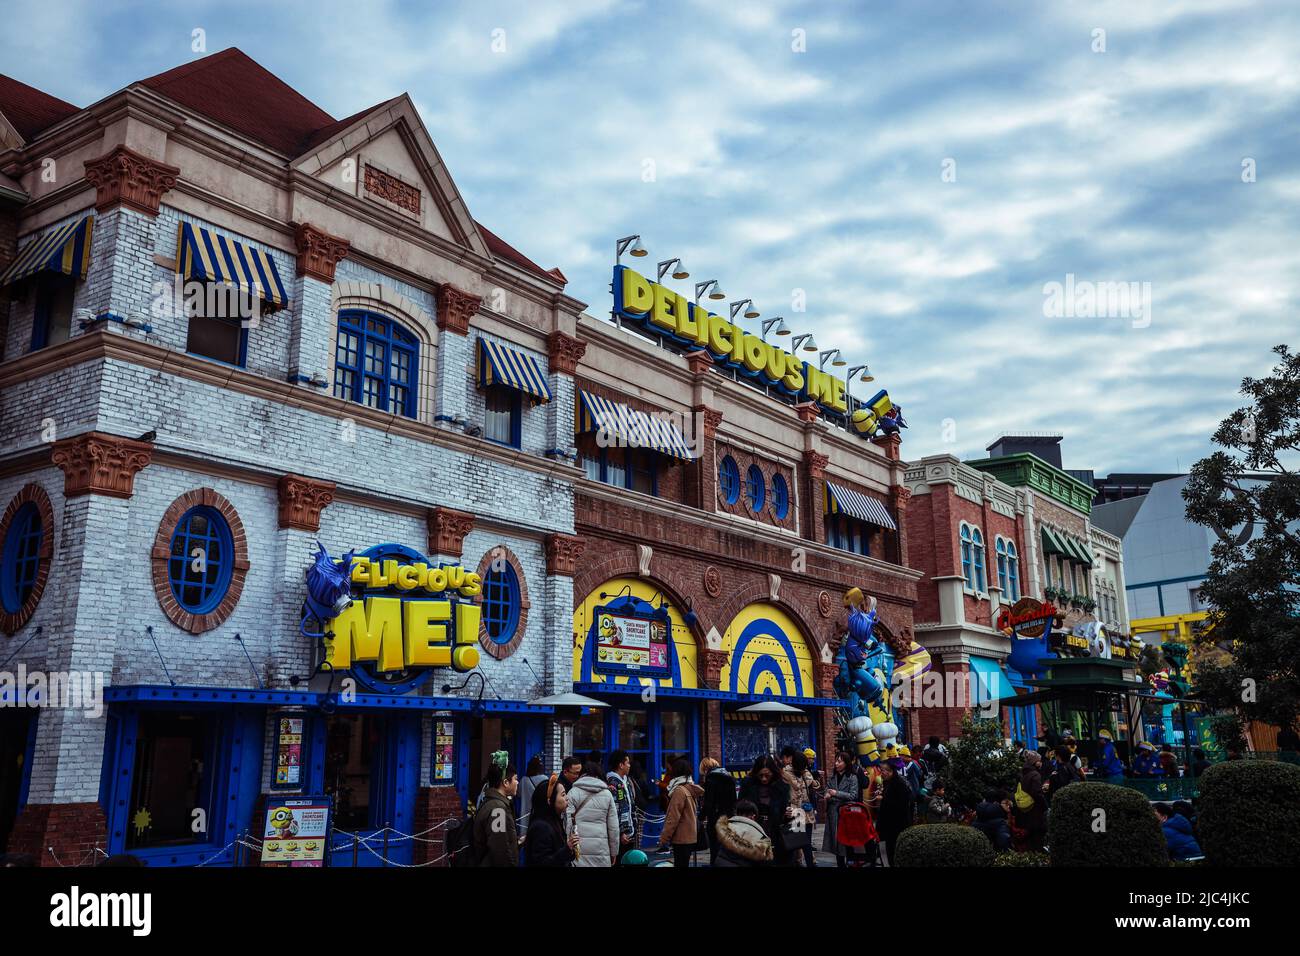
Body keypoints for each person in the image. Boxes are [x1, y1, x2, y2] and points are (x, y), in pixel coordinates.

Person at [739, 754, 791, 865]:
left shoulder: (782, 787)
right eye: (760, 775)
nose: (763, 778)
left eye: (767, 775)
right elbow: (739, 807)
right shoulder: (748, 785)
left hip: (774, 831)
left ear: (773, 772)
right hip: (752, 830)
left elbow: (785, 812)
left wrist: (788, 814)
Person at [565, 761, 620, 867]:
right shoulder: (607, 794)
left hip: (579, 848)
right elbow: (614, 828)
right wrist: (614, 852)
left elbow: (568, 823)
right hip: (601, 850)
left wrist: (568, 847)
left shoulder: (572, 792)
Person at [658, 757, 704, 868]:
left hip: (681, 838)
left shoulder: (679, 791)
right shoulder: (689, 787)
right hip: (689, 836)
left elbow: (673, 818)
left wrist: (664, 838)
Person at [525, 774, 580, 867]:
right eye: (563, 794)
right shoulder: (541, 827)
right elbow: (541, 863)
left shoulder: (554, 820)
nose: (567, 798)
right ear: (550, 801)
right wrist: (567, 849)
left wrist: (571, 849)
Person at [472, 762, 520, 867]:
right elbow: (499, 849)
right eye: (515, 779)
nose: (517, 782)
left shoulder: (492, 802)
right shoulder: (498, 809)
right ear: (506, 782)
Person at [821, 751, 861, 868]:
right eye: (836, 761)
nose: (836, 763)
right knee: (837, 844)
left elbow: (853, 795)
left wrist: (835, 793)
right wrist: (827, 795)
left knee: (848, 843)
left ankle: (851, 863)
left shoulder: (852, 777)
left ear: (846, 763)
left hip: (847, 815)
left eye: (839, 761)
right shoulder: (833, 777)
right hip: (834, 814)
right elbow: (827, 789)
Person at [781, 749, 820, 867]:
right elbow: (796, 786)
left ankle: (809, 864)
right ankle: (795, 863)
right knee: (794, 842)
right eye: (801, 766)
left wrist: (810, 777)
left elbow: (815, 784)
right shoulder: (785, 773)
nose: (803, 768)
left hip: (806, 811)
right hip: (795, 811)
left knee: (806, 842)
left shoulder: (805, 772)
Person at [873, 758, 914, 866]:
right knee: (886, 853)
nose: (883, 772)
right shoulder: (887, 782)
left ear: (892, 771)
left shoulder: (899, 784)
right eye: (882, 770)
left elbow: (902, 805)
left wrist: (884, 799)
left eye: (885, 770)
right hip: (887, 826)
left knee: (893, 853)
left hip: (896, 826)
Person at [713, 799, 774, 867]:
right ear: (753, 816)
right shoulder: (758, 835)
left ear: (737, 813)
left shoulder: (725, 827)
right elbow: (765, 860)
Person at [700, 756, 736, 865]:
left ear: (706, 768)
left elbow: (709, 802)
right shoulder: (728, 776)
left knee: (714, 848)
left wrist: (701, 817)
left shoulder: (711, 779)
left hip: (715, 818)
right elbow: (734, 800)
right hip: (728, 817)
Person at [606, 749, 640, 859]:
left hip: (629, 833)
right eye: (627, 763)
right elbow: (615, 810)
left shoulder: (625, 780)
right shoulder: (613, 782)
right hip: (621, 836)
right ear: (621, 765)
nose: (630, 765)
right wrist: (621, 832)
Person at [1015, 751, 1047, 851]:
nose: (1041, 763)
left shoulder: (1023, 773)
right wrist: (1045, 805)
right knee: (1037, 838)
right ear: (1035, 762)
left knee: (1029, 838)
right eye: (1039, 761)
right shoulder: (1035, 775)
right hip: (1035, 811)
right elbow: (1036, 793)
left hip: (1024, 810)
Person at [519, 754, 548, 834]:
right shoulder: (544, 779)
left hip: (525, 814)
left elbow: (518, 795)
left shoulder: (523, 780)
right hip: (539, 813)